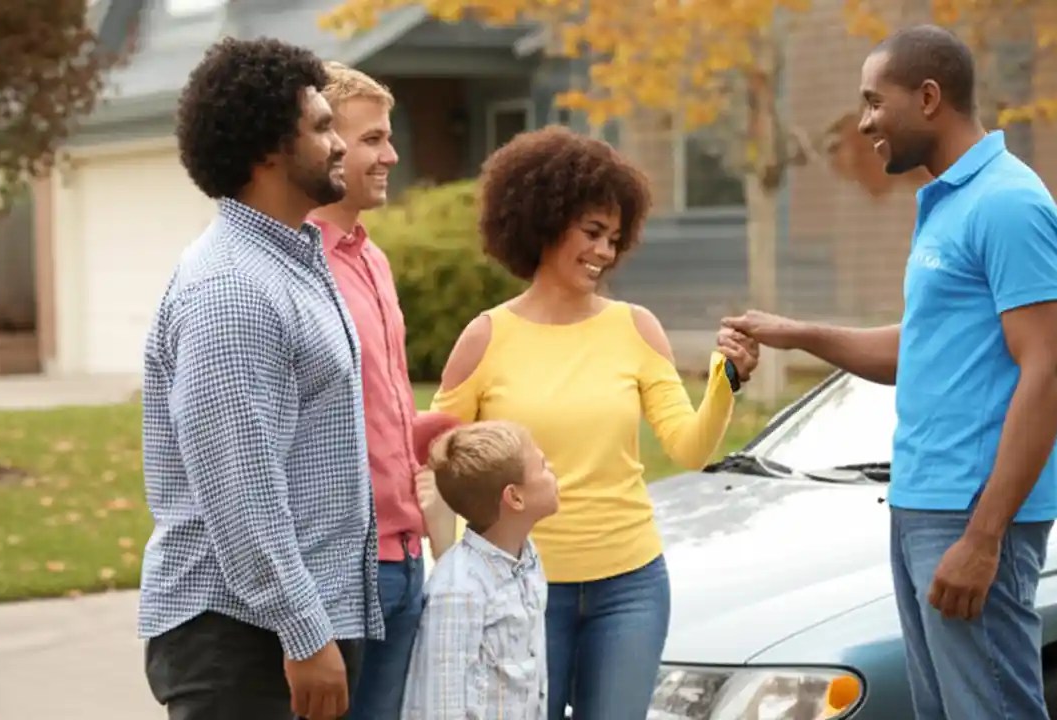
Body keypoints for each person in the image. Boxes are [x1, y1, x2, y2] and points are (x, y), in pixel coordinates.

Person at [723, 24, 1057, 720]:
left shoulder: (1009, 202)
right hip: (922, 505)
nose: (863, 122)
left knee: (992, 710)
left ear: (930, 97)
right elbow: (922, 348)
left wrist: (983, 537)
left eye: (873, 101)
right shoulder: (946, 202)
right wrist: (799, 334)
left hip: (971, 515)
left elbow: (1050, 372)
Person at [423, 125, 760, 719]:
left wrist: (724, 380)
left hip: (629, 586)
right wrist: (453, 572)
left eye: (614, 237)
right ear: (543, 221)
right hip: (520, 590)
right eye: (592, 232)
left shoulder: (635, 327)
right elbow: (436, 464)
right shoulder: (486, 337)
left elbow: (688, 448)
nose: (605, 252)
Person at [137, 37, 382, 720]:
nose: (340, 144)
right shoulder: (233, 289)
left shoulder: (288, 261)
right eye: (323, 127)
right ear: (270, 149)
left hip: (286, 624)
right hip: (242, 638)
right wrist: (304, 634)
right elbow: (239, 488)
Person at [308, 60, 460, 720]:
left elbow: (379, 407)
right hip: (340, 569)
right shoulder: (295, 267)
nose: (391, 155)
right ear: (324, 144)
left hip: (404, 559)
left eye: (388, 137)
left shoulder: (373, 259)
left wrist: (450, 430)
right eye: (372, 139)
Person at [402, 420, 558, 719]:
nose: (552, 470)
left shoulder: (527, 559)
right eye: (542, 466)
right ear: (515, 497)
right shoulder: (459, 589)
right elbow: (442, 705)